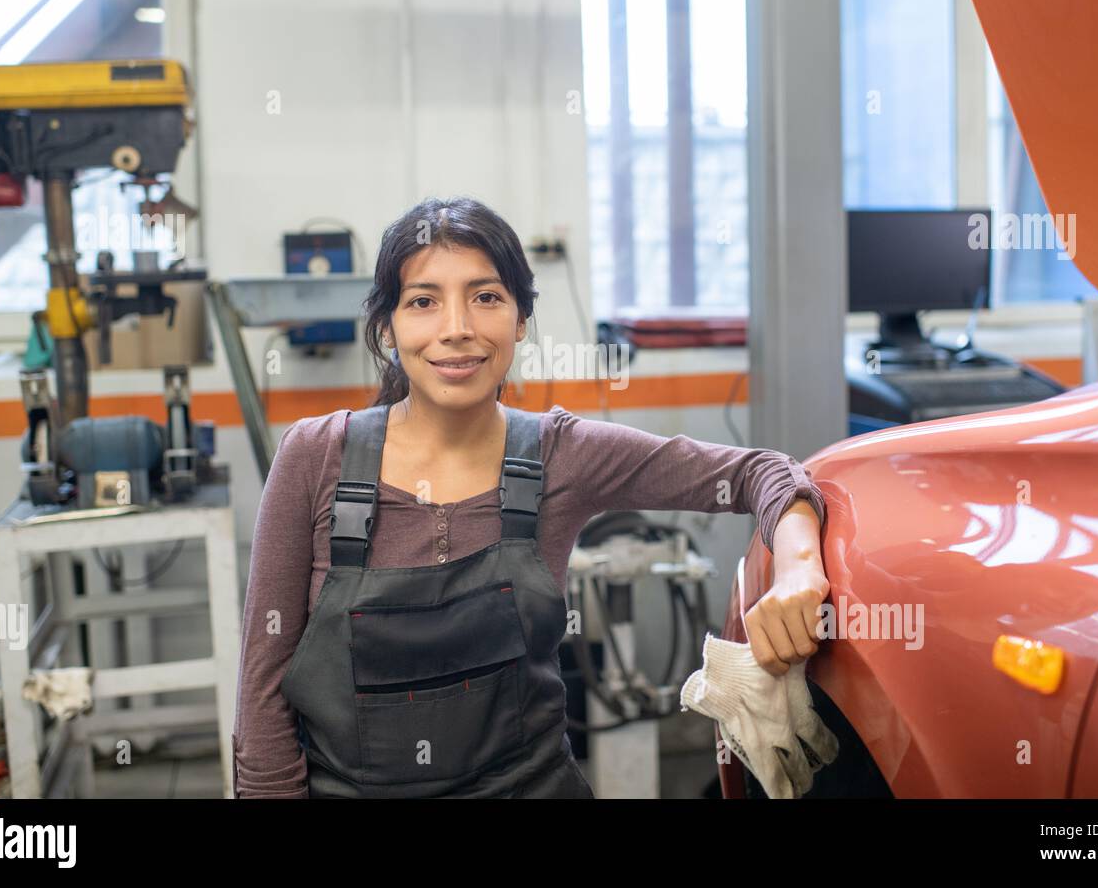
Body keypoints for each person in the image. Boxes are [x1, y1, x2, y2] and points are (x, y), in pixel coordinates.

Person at [231, 195, 830, 798]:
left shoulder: (558, 453)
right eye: (423, 301)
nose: (457, 327)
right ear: (387, 326)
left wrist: (798, 571)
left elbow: (762, 473)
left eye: (486, 297)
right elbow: (262, 694)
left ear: (520, 319)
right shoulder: (315, 456)